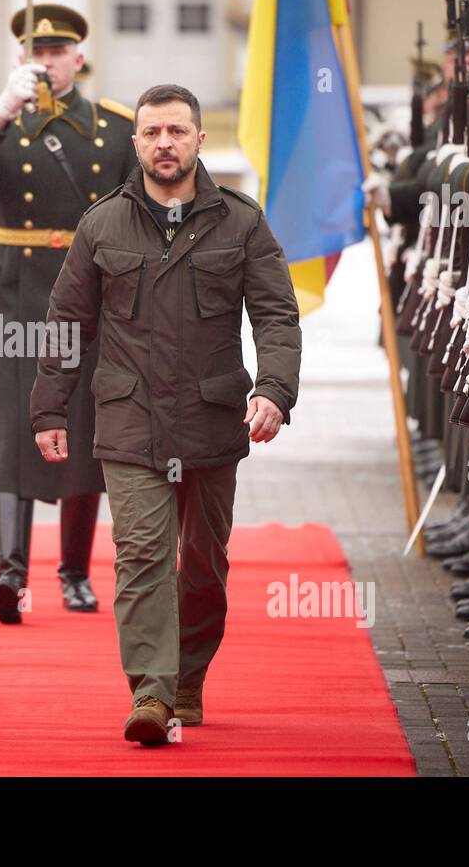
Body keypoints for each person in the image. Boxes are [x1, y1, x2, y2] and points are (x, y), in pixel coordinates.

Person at [30, 83, 302, 744]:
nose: (165, 143)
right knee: (142, 553)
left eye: (177, 131)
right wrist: (49, 408)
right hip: (129, 417)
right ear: (136, 143)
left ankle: (188, 675)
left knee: (203, 562)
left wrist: (274, 389)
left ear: (200, 139)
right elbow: (67, 322)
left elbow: (275, 314)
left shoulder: (241, 222)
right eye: (152, 132)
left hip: (212, 417)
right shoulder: (102, 224)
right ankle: (151, 691)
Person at [0, 4, 137, 623]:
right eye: (38, 52)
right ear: (21, 59)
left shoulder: (114, 128)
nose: (48, 61)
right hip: (11, 292)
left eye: (59, 52)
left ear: (78, 58)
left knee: (84, 426)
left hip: (88, 292)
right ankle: (9, 572)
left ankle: (75, 572)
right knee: (9, 428)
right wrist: (1, 111)